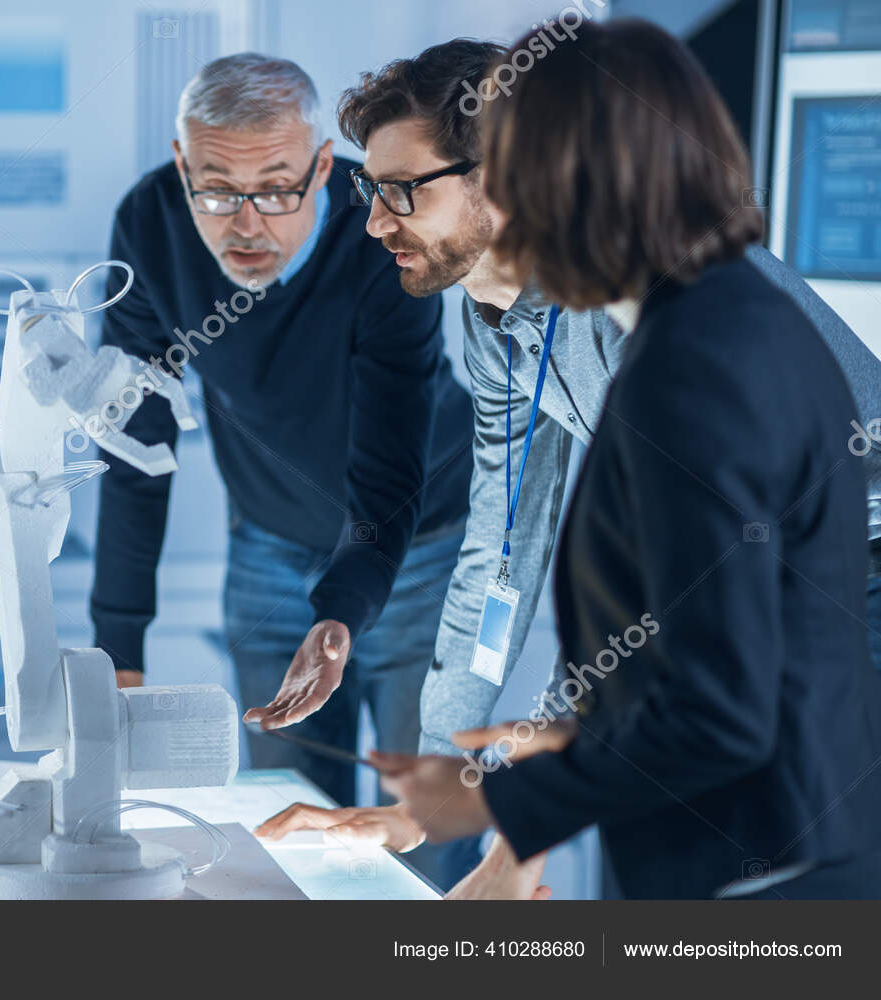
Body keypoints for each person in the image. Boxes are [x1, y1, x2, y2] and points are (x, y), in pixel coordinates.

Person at [254, 35, 881, 886]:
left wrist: (514, 840)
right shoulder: (499, 322)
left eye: (402, 191)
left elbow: (662, 602)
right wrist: (433, 790)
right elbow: (500, 549)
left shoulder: (679, 331)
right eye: (370, 187)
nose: (372, 222)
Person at [90, 53, 476, 886]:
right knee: (285, 805)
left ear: (324, 168)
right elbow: (134, 447)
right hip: (266, 539)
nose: (245, 224)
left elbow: (388, 458)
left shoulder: (381, 237)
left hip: (419, 538)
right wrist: (118, 654)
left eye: (276, 188)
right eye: (216, 190)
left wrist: (341, 608)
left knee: (420, 818)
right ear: (181, 163)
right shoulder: (151, 225)